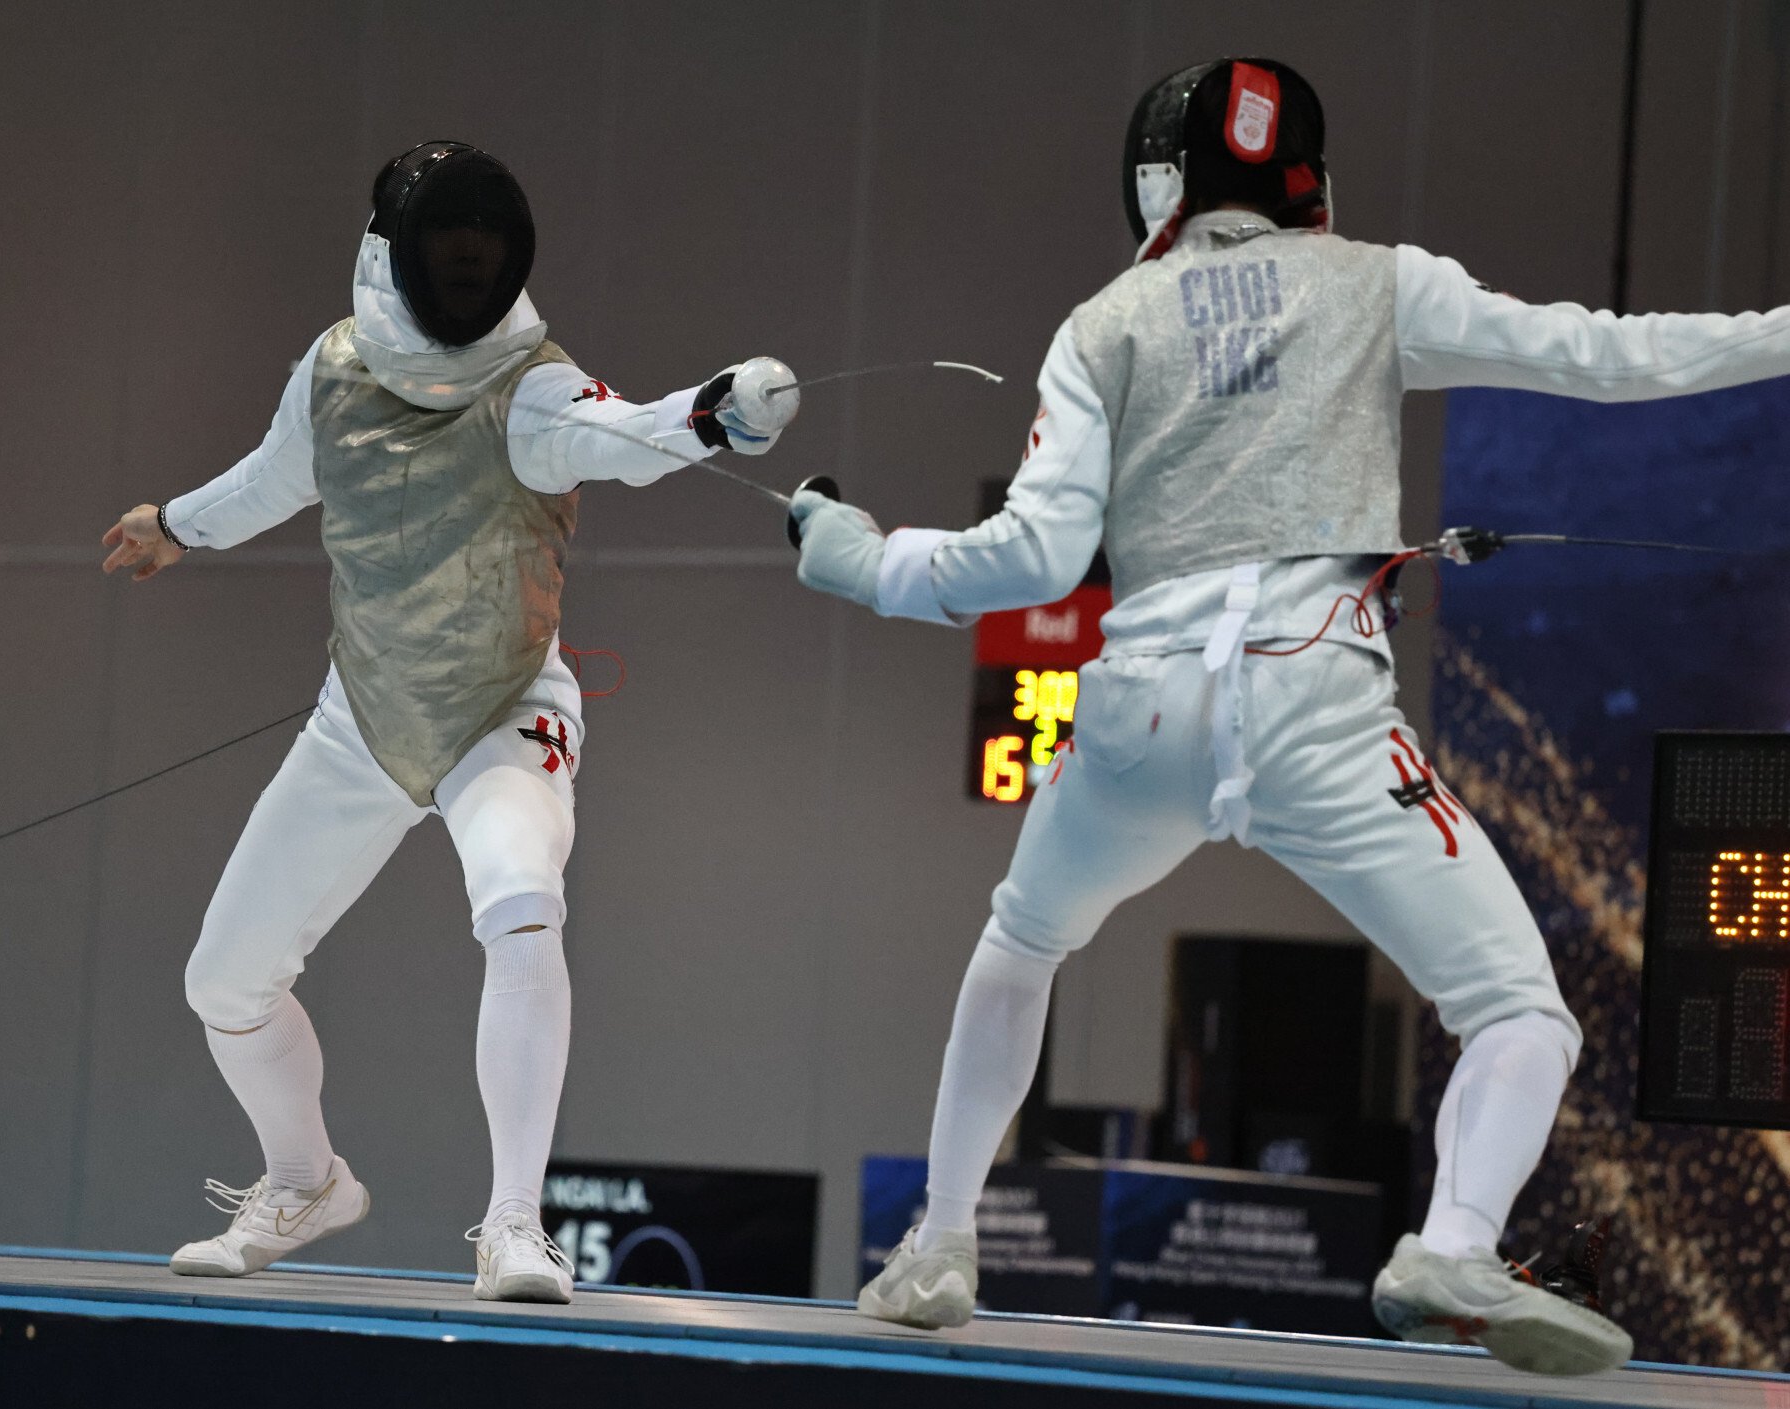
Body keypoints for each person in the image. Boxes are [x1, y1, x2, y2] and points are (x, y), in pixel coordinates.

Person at [791, 57, 1790, 1376]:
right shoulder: (1379, 284)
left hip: (1138, 716)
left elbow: (1030, 561)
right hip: (1316, 712)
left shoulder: (1103, 322)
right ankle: (1450, 1243)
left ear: (1156, 180)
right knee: (1516, 1012)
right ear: (1308, 180)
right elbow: (1608, 354)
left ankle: (939, 1240)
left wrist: (861, 557)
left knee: (1020, 942)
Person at [101, 140, 795, 1303]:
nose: (469, 264)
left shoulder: (533, 386)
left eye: (485, 247)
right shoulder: (332, 369)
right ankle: (305, 1179)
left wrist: (712, 415)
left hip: (502, 710)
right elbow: (274, 474)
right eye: (449, 245)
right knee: (223, 981)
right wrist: (176, 523)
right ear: (396, 254)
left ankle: (515, 1220)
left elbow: (630, 435)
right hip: (363, 719)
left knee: (520, 899)